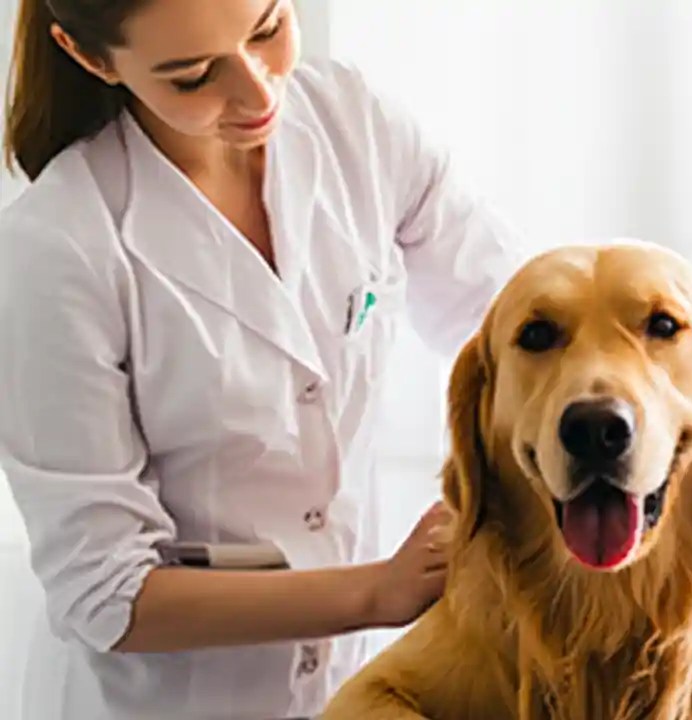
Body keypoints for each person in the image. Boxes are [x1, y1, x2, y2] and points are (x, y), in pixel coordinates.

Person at [0, 0, 526, 717]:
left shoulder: (356, 126)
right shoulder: (58, 245)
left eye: (268, 28)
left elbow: (511, 325)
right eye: (192, 76)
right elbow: (108, 594)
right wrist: (377, 590)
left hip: (346, 690)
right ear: (91, 57)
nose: (257, 92)